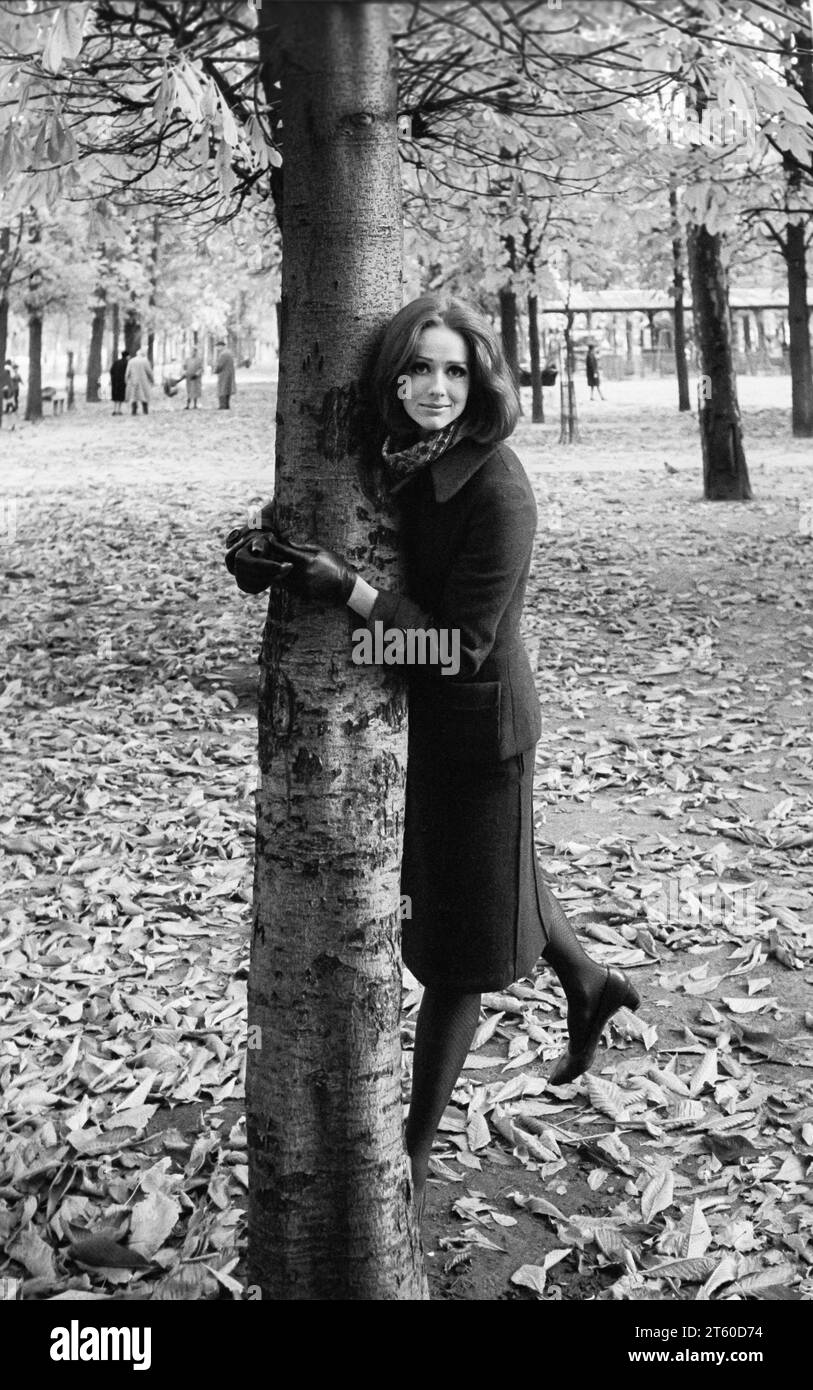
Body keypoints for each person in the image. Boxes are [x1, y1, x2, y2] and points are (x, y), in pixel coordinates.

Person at [224, 295, 640, 1222]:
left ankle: (410, 1156)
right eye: (416, 369)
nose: (434, 388)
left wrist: (350, 597)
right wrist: (271, 552)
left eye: (453, 370)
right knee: (503, 873)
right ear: (390, 380)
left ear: (481, 378)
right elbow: (350, 519)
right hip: (431, 724)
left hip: (480, 730)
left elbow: (456, 647)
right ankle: (590, 981)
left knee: (457, 953)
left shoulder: (498, 489)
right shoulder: (399, 458)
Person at [125, 347, 153, 415]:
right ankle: (145, 410)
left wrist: (126, 380)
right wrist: (152, 379)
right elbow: (149, 372)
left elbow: (127, 373)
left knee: (134, 396)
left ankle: (134, 411)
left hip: (133, 381)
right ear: (143, 354)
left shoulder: (131, 361)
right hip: (143, 381)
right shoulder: (145, 361)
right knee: (145, 396)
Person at [213, 338, 235, 410]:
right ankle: (227, 405)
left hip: (223, 374)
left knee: (222, 389)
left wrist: (215, 371)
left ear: (221, 346)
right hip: (230, 373)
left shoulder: (223, 354)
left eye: (218, 346)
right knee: (228, 389)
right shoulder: (229, 353)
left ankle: (222, 405)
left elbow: (220, 365)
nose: (217, 348)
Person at [183, 344, 203, 409]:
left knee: (195, 391)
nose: (193, 352)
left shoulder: (199, 359)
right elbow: (184, 367)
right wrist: (185, 372)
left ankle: (195, 404)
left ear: (196, 352)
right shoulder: (187, 359)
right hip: (189, 377)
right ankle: (188, 404)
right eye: (191, 351)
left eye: (194, 351)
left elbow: (201, 368)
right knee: (189, 391)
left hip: (195, 378)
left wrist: (197, 374)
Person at [110, 349, 129, 415]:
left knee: (115, 396)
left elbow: (111, 371)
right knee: (121, 397)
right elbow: (128, 373)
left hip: (115, 382)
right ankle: (119, 410)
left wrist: (113, 378)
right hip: (122, 382)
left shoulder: (116, 362)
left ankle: (114, 410)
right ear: (127, 356)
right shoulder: (127, 363)